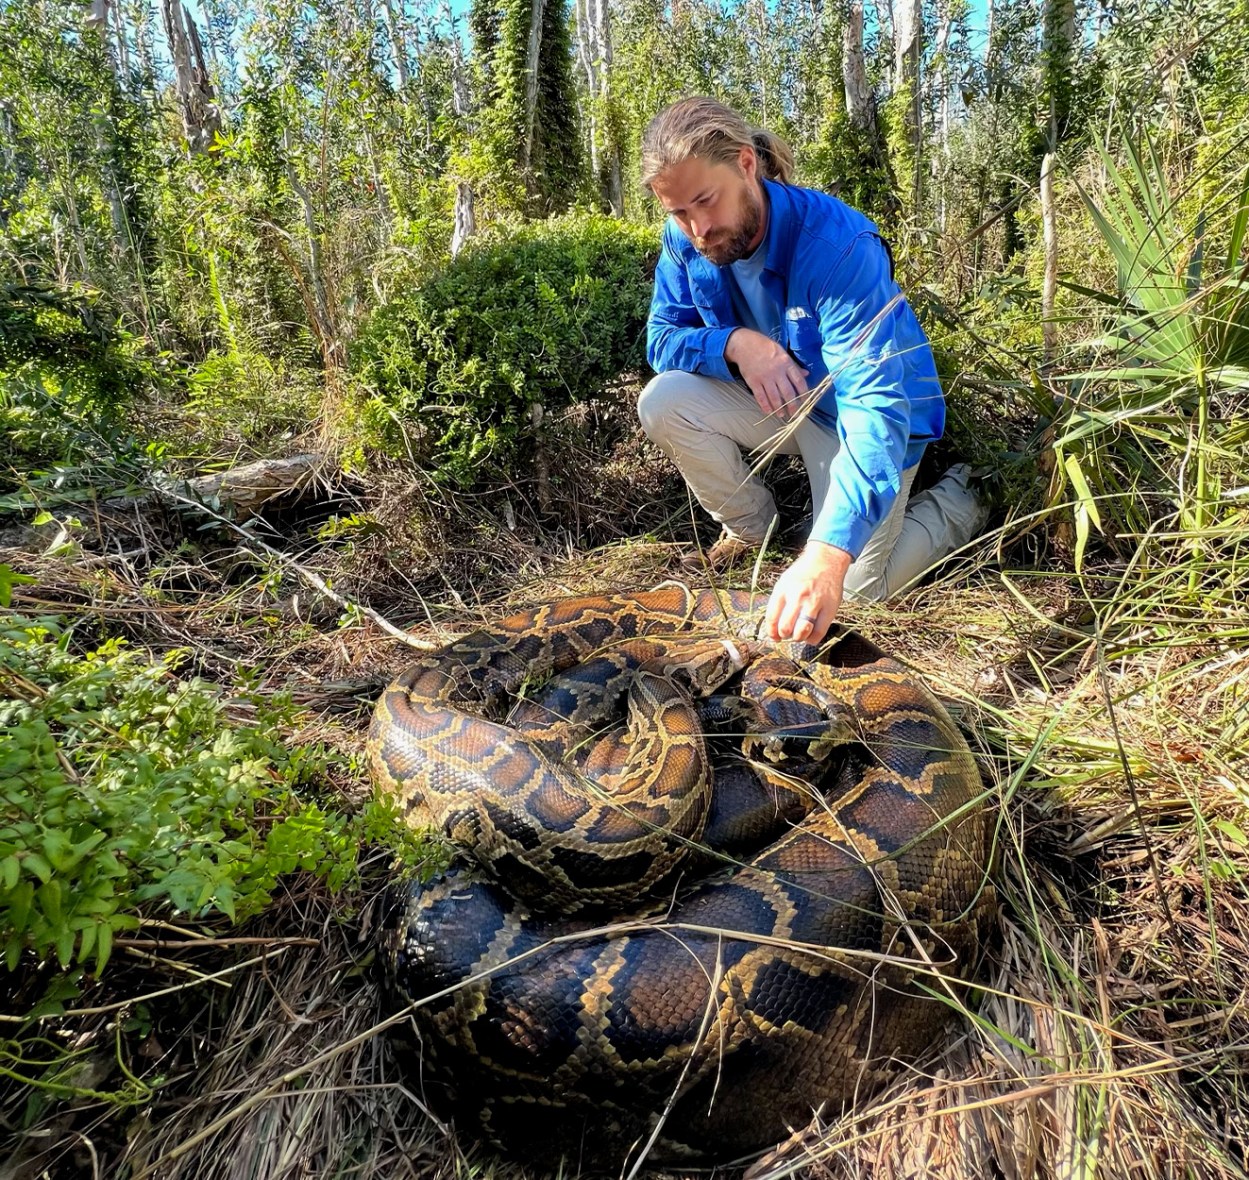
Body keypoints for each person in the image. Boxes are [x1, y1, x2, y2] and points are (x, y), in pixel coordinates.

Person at [638, 96, 987, 644]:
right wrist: (737, 343)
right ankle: (755, 531)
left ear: (745, 164)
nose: (698, 228)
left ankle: (964, 498)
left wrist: (827, 556)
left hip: (858, 421)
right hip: (784, 403)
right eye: (679, 213)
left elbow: (875, 406)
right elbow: (662, 339)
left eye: (706, 201)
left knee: (848, 598)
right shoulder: (685, 241)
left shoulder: (838, 246)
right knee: (663, 400)